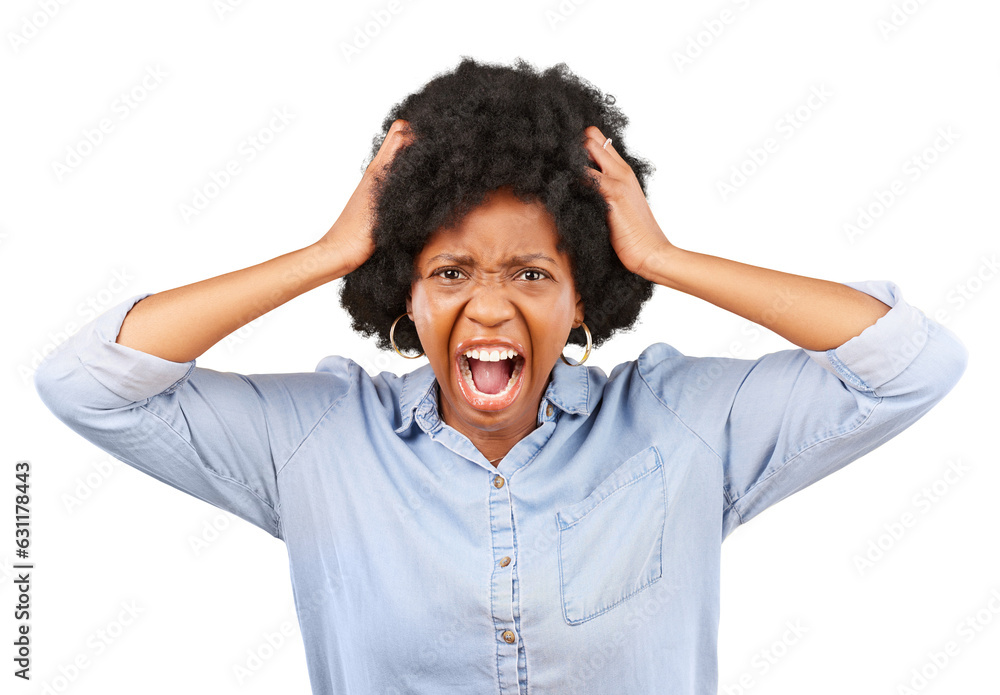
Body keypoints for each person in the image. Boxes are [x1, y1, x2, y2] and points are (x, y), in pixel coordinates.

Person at [34, 57, 967, 694]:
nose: (488, 309)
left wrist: (665, 257)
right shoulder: (316, 441)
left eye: (532, 272)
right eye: (450, 272)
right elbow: (87, 381)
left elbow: (909, 364)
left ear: (584, 299)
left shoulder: (684, 423)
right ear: (403, 292)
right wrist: (328, 251)